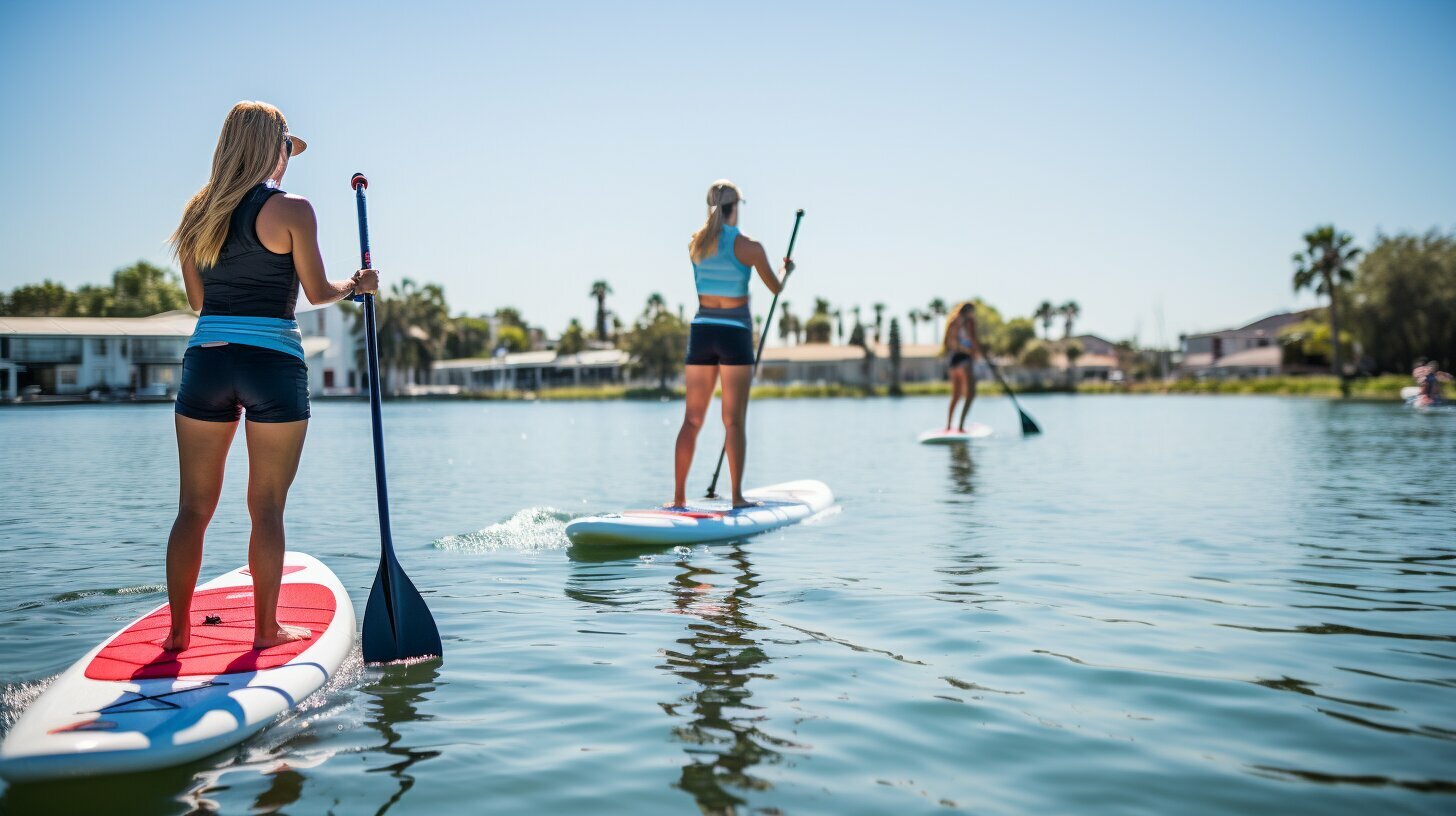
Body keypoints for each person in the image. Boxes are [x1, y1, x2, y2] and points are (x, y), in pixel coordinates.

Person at [164, 101, 379, 651]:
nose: (289, 158)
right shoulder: (293, 210)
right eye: (288, 148)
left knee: (193, 508)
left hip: (207, 361)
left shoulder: (196, 213)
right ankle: (265, 631)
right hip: (272, 365)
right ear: (273, 147)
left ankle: (178, 635)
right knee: (267, 505)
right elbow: (316, 292)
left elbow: (197, 300)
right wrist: (357, 286)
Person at [670, 180, 791, 508]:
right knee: (733, 421)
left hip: (703, 330)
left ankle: (678, 498)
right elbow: (776, 288)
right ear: (734, 207)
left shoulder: (695, 245)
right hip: (735, 332)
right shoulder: (750, 247)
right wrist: (785, 269)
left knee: (692, 419)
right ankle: (737, 498)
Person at [942, 302, 982, 431]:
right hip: (965, 361)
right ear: (970, 311)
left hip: (953, 361)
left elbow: (949, 343)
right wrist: (975, 352)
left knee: (956, 395)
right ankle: (960, 426)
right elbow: (973, 339)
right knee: (971, 394)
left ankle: (948, 426)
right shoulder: (969, 321)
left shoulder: (953, 322)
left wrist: (962, 348)